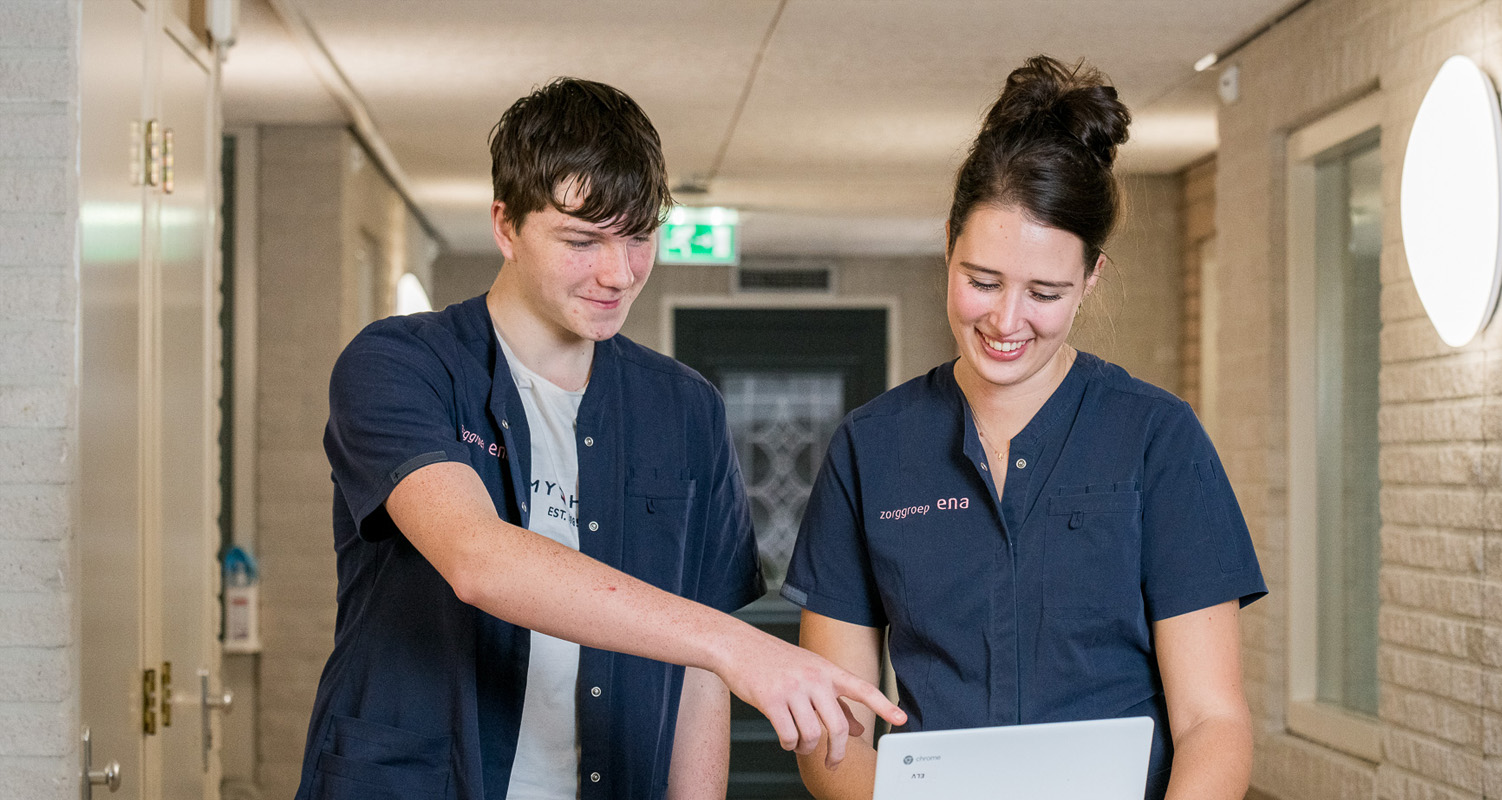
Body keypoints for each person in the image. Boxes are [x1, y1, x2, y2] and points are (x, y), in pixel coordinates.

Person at [295, 77, 904, 800]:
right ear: (505, 225)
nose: (618, 274)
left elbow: (698, 675)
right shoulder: (400, 365)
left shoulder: (685, 411)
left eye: (639, 238)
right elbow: (477, 559)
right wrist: (735, 645)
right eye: (583, 240)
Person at [782, 56, 1267, 800]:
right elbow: (833, 733)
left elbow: (1212, 722)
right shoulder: (871, 450)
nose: (1006, 322)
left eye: (1045, 292)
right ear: (948, 243)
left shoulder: (1157, 441)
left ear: (1092, 279)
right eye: (982, 281)